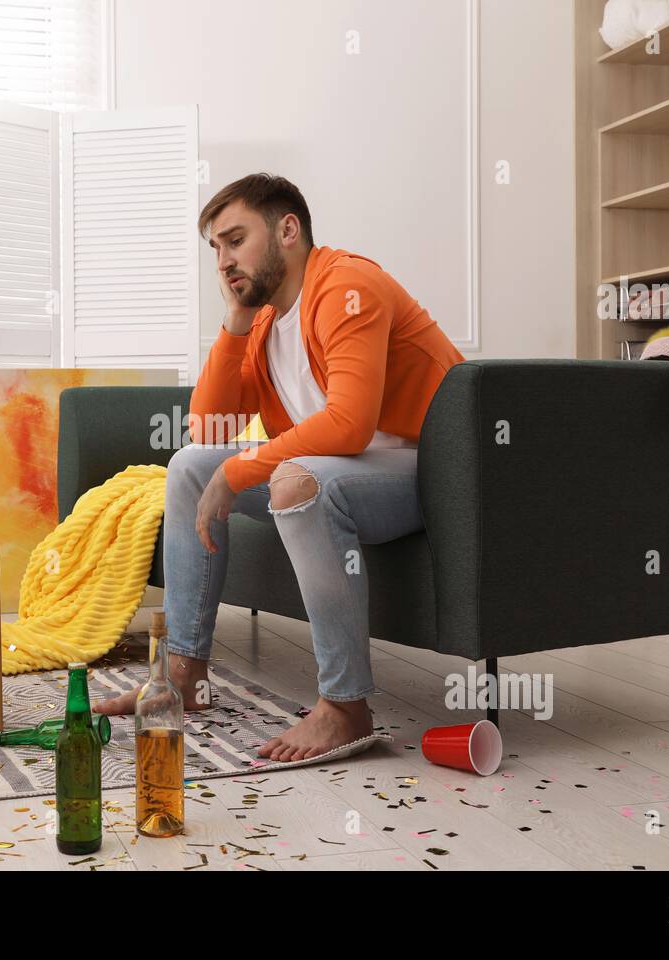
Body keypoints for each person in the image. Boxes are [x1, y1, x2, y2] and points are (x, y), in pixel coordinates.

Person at [94, 173, 466, 761]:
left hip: (434, 472)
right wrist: (237, 322)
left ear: (287, 230)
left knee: (295, 481)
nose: (223, 260)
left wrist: (240, 471)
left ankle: (346, 707)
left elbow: (350, 424)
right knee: (191, 465)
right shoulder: (266, 321)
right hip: (348, 470)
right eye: (215, 248)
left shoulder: (347, 286)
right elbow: (209, 424)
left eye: (235, 240)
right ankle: (184, 674)